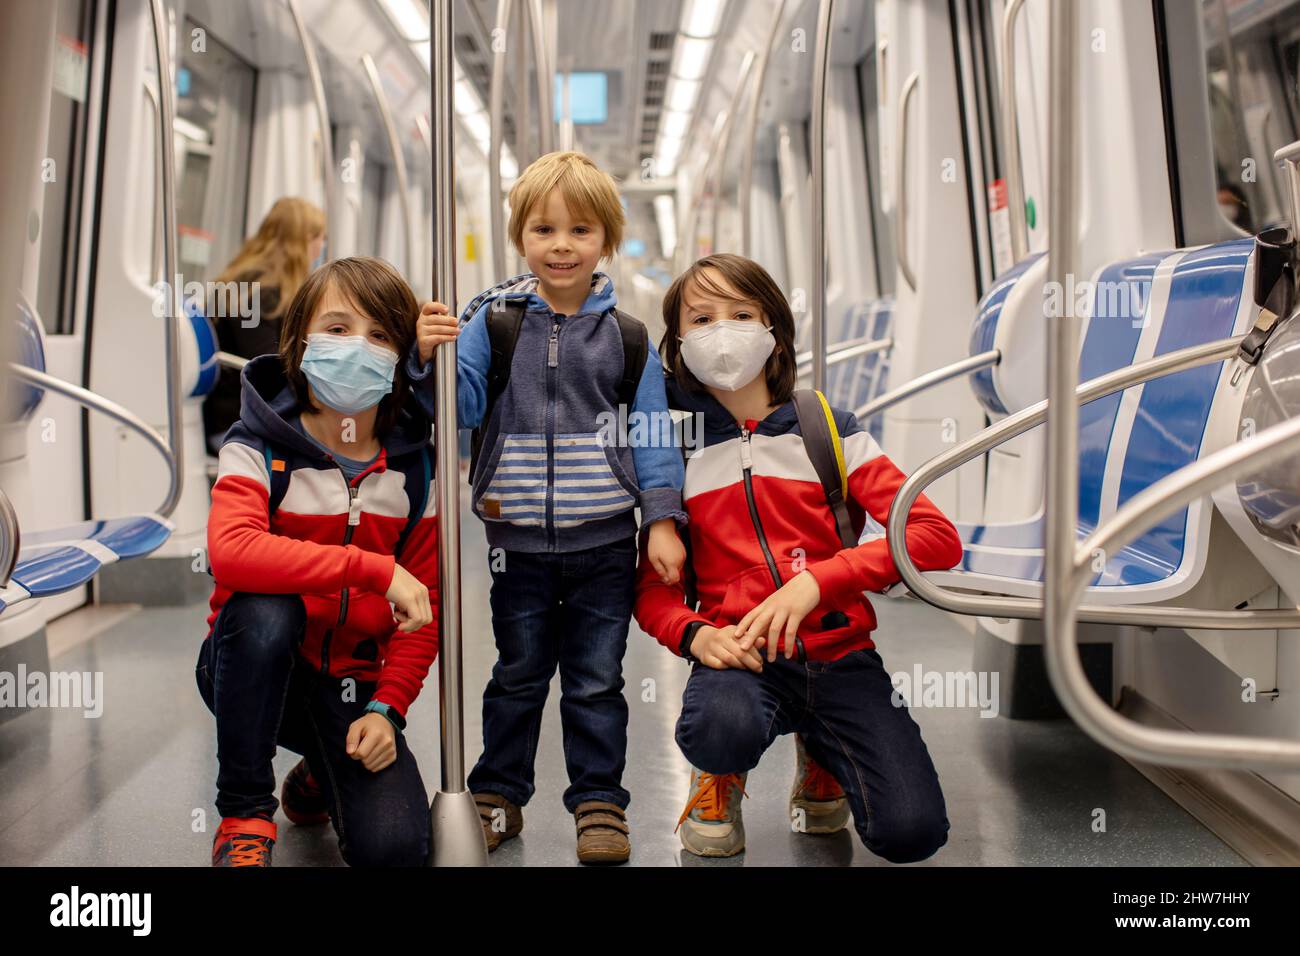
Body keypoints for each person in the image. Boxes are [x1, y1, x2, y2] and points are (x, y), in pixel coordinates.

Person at [633, 253, 964, 862]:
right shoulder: (672, 457)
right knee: (719, 727)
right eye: (701, 320)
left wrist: (821, 581)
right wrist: (694, 635)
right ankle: (719, 772)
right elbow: (654, 590)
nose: (722, 334)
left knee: (911, 832)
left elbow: (935, 537)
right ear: (677, 344)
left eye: (741, 314)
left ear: (773, 331)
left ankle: (823, 751)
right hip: (743, 657)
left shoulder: (827, 430)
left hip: (841, 655)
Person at [410, 151, 686, 864]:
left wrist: (661, 517)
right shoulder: (493, 327)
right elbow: (463, 407)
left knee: (597, 681)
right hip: (517, 544)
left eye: (580, 230)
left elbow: (652, 434)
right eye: (543, 229)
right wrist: (428, 359)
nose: (561, 245)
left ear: (606, 241)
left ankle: (599, 803)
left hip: (604, 545)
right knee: (518, 674)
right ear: (520, 238)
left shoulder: (627, 338)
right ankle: (498, 794)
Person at [200, 256, 451, 867]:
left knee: (394, 849)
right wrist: (372, 569)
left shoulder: (416, 470)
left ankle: (320, 772)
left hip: (354, 683)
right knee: (264, 608)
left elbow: (427, 611)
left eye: (378, 335)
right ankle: (245, 811)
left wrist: (387, 709)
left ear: (398, 360)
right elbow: (231, 552)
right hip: (256, 669)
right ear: (300, 341)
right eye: (337, 329)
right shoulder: (256, 448)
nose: (356, 347)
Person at [202, 196, 327, 455]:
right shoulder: (256, 293)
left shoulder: (251, 283)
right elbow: (268, 367)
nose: (320, 247)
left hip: (236, 415)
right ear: (302, 241)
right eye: (319, 238)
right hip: (234, 423)